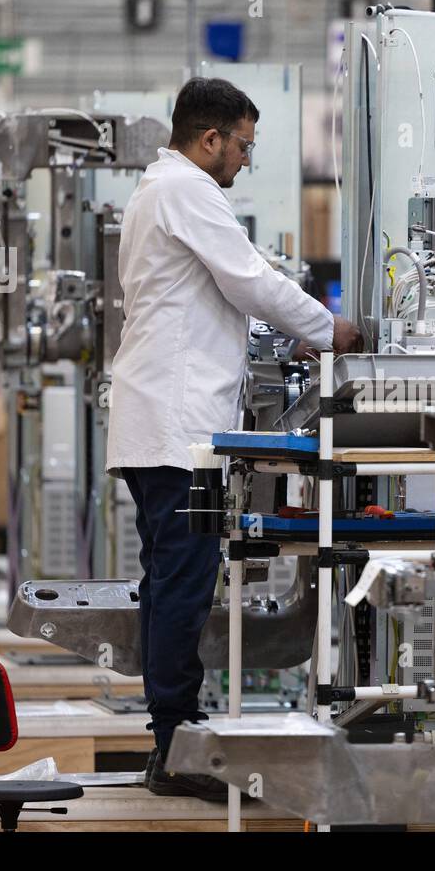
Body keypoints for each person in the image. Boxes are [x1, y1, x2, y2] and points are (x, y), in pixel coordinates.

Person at [106, 77, 362, 798]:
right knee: (182, 587)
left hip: (159, 425)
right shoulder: (187, 189)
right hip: (177, 433)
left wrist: (283, 336)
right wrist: (329, 329)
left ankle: (170, 742)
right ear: (210, 138)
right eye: (242, 146)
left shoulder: (157, 191)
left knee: (168, 583)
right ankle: (178, 748)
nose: (245, 160)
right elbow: (249, 279)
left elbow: (202, 305)